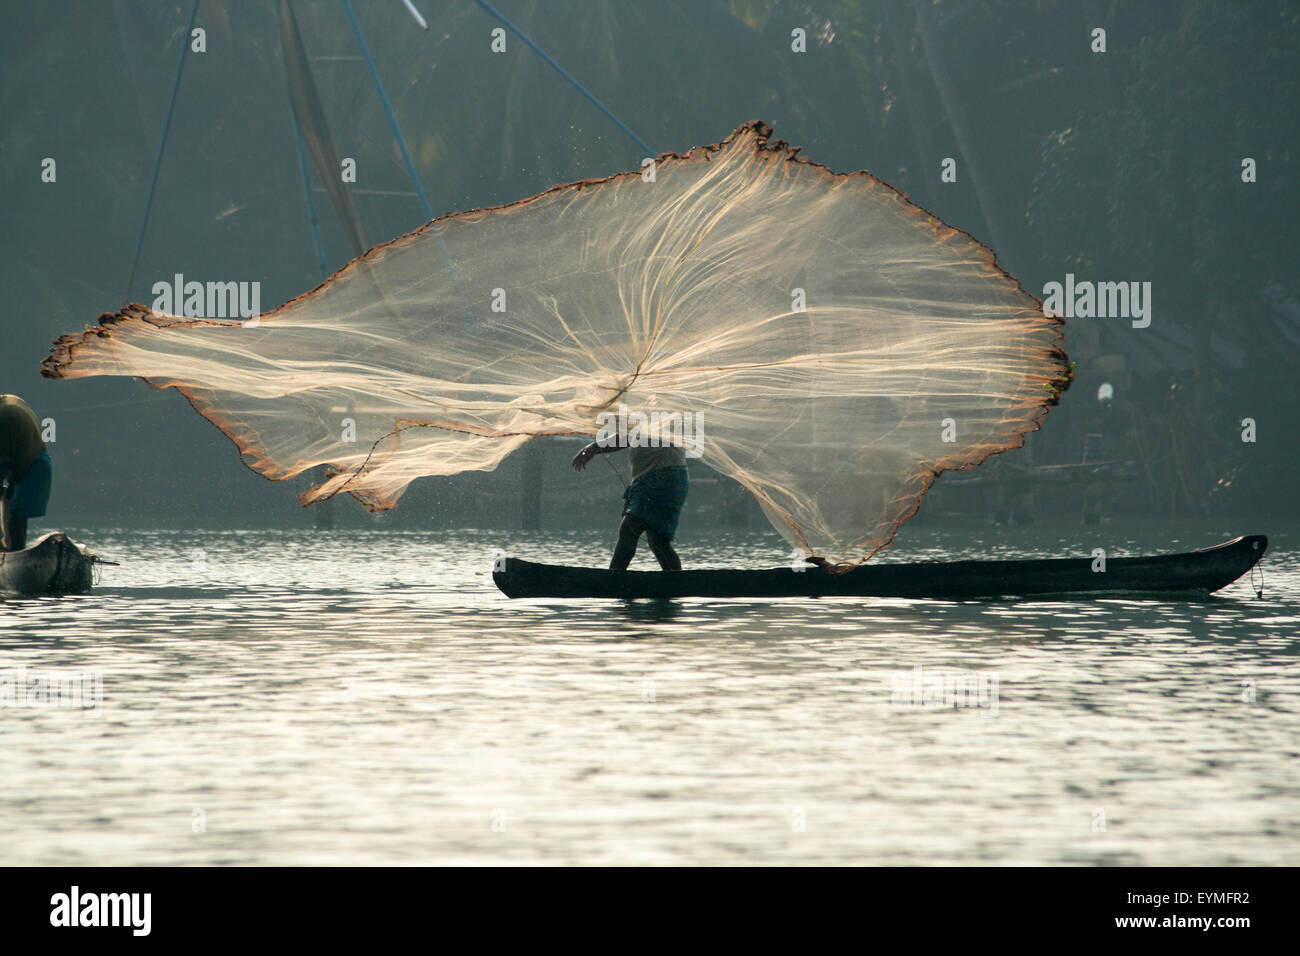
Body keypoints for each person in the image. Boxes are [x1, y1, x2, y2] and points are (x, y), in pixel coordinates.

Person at [573, 431, 689, 571]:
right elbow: (627, 438)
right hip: (655, 479)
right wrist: (595, 447)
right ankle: (675, 581)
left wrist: (595, 447)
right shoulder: (645, 419)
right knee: (658, 540)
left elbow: (626, 438)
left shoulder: (661, 418)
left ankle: (613, 580)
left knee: (630, 529)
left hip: (663, 478)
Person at [0, 394, 52, 552]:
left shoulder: (3, 416)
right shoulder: (10, 400)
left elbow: (3, 464)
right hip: (35, 461)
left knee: (16, 515)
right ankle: (10, 549)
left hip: (33, 466)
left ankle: (15, 554)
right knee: (11, 509)